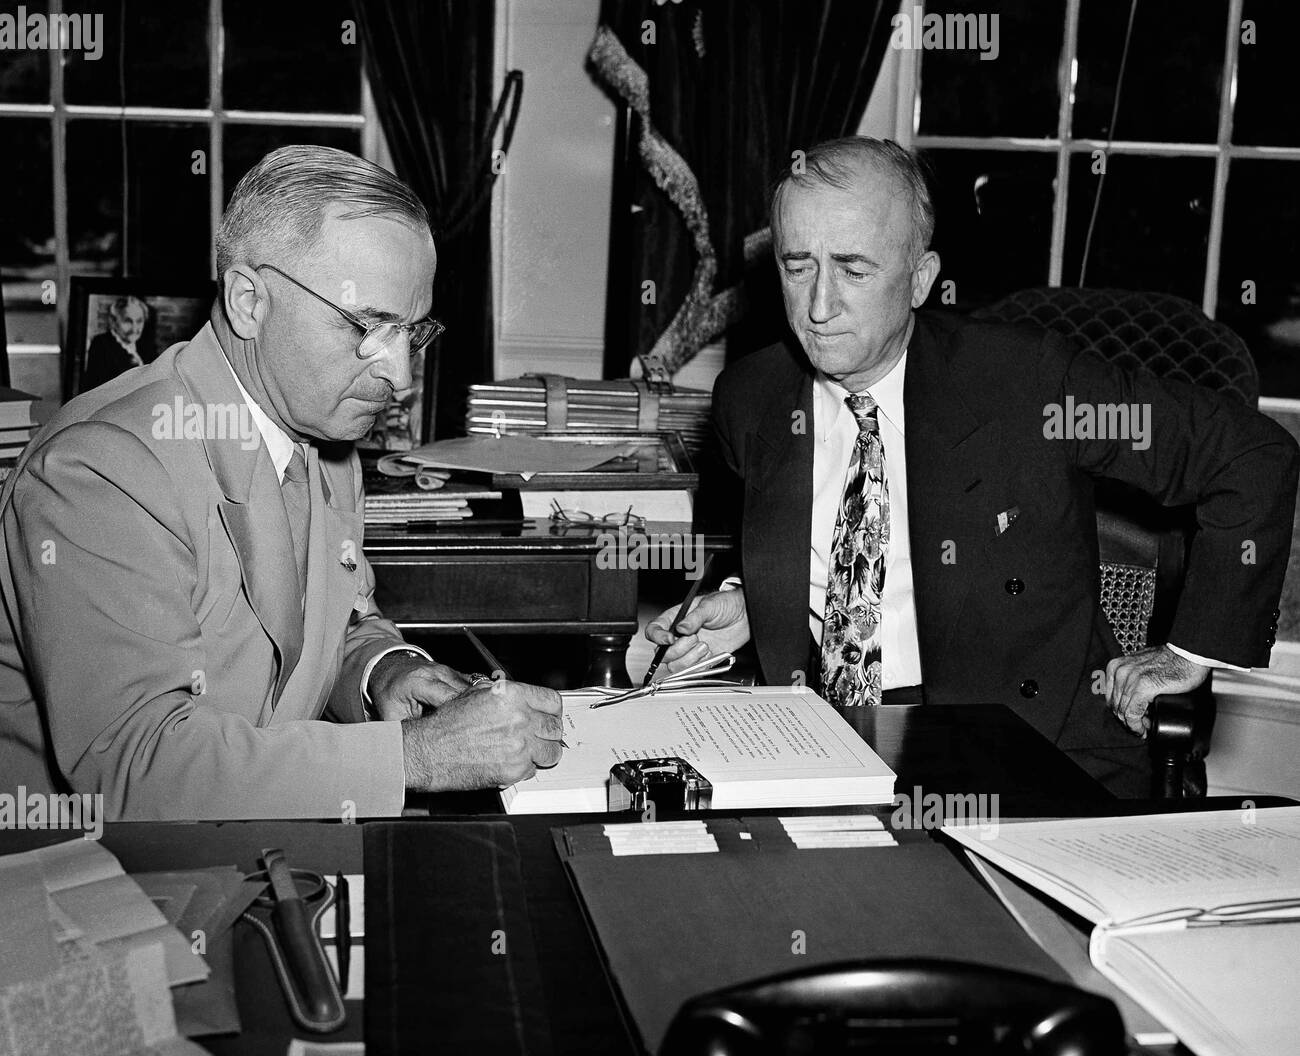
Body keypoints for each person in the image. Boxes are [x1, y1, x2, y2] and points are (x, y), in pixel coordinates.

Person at [648, 137, 1298, 797]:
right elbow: (814, 549)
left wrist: (1190, 652)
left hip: (1027, 750)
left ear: (922, 279)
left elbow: (1250, 456)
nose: (818, 307)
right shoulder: (751, 401)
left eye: (852, 268)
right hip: (827, 745)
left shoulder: (1030, 385)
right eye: (797, 265)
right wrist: (755, 601)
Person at [0, 145, 563, 820]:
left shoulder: (324, 441)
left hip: (253, 848)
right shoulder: (101, 471)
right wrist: (416, 755)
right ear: (248, 301)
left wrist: (384, 669)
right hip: (100, 881)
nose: (401, 377)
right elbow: (134, 768)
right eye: (366, 326)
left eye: (411, 333)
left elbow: (336, 622)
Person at [82, 295, 150, 390]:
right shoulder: (101, 344)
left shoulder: (145, 345)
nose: (135, 329)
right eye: (128, 321)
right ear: (113, 321)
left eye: (139, 321)